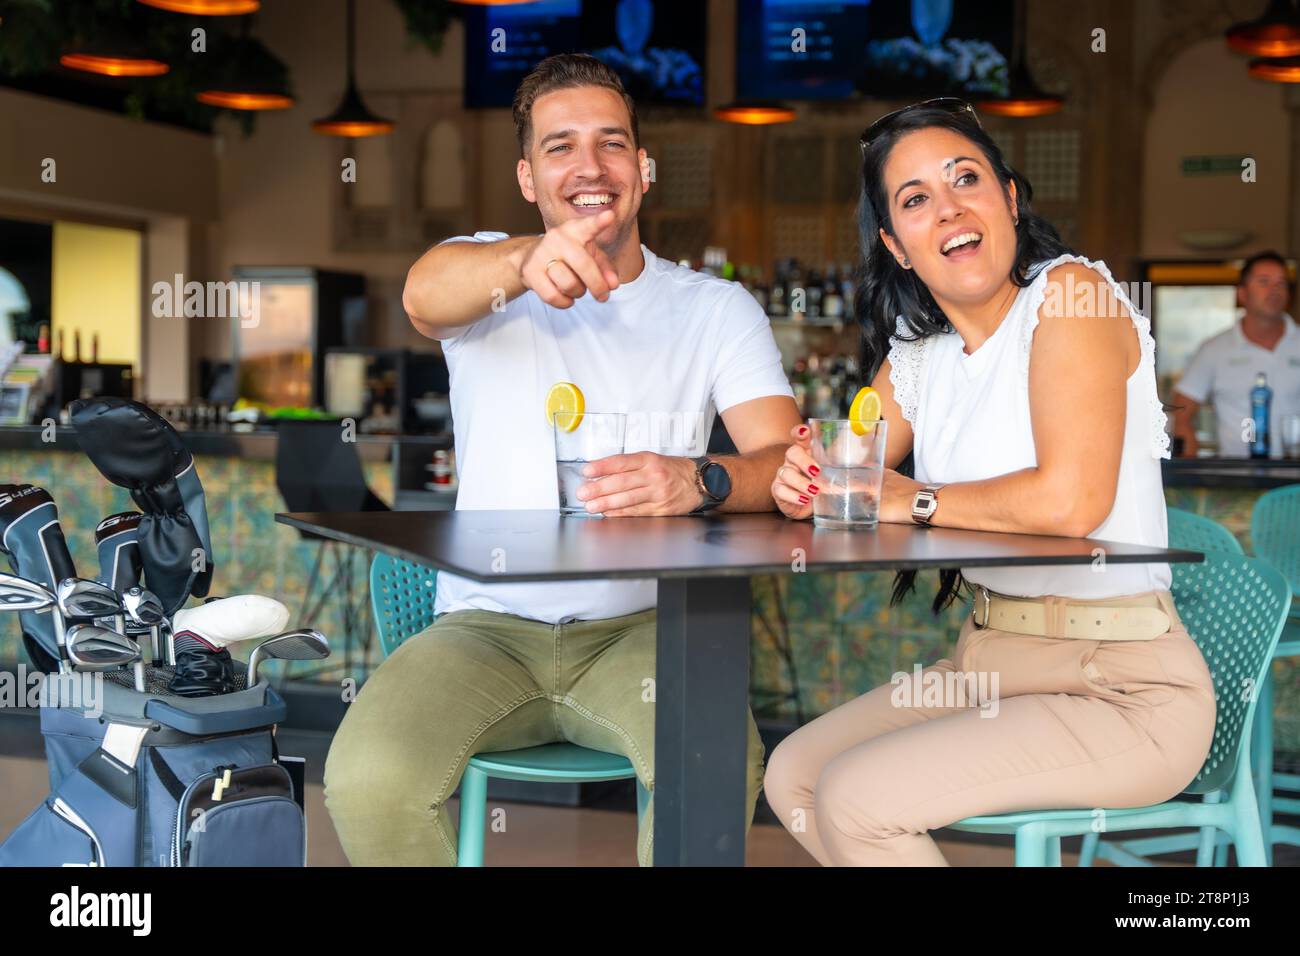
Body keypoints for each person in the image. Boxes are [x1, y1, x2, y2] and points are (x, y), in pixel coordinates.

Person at [323, 53, 801, 866]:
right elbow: (421, 293)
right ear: (526, 176)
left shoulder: (714, 310)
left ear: (643, 169)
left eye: (612, 144)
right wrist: (519, 264)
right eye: (560, 146)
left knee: (711, 763)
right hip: (483, 631)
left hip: (649, 632)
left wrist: (701, 478)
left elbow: (786, 463)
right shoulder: (485, 278)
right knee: (366, 779)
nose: (590, 167)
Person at [762, 98, 1216, 866]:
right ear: (895, 246)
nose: (948, 210)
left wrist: (917, 501)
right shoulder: (919, 355)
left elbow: (1072, 502)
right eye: (914, 201)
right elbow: (845, 471)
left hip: (1121, 688)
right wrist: (801, 477)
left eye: (965, 179)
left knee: (861, 801)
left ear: (1008, 197)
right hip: (985, 662)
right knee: (795, 776)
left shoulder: (1071, 296)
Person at [1171, 250, 1298, 458]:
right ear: (1242, 293)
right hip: (1236, 482)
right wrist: (1190, 472)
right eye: (1264, 282)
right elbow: (1180, 413)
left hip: (1295, 483)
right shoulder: (1214, 349)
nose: (1274, 291)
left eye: (1281, 283)